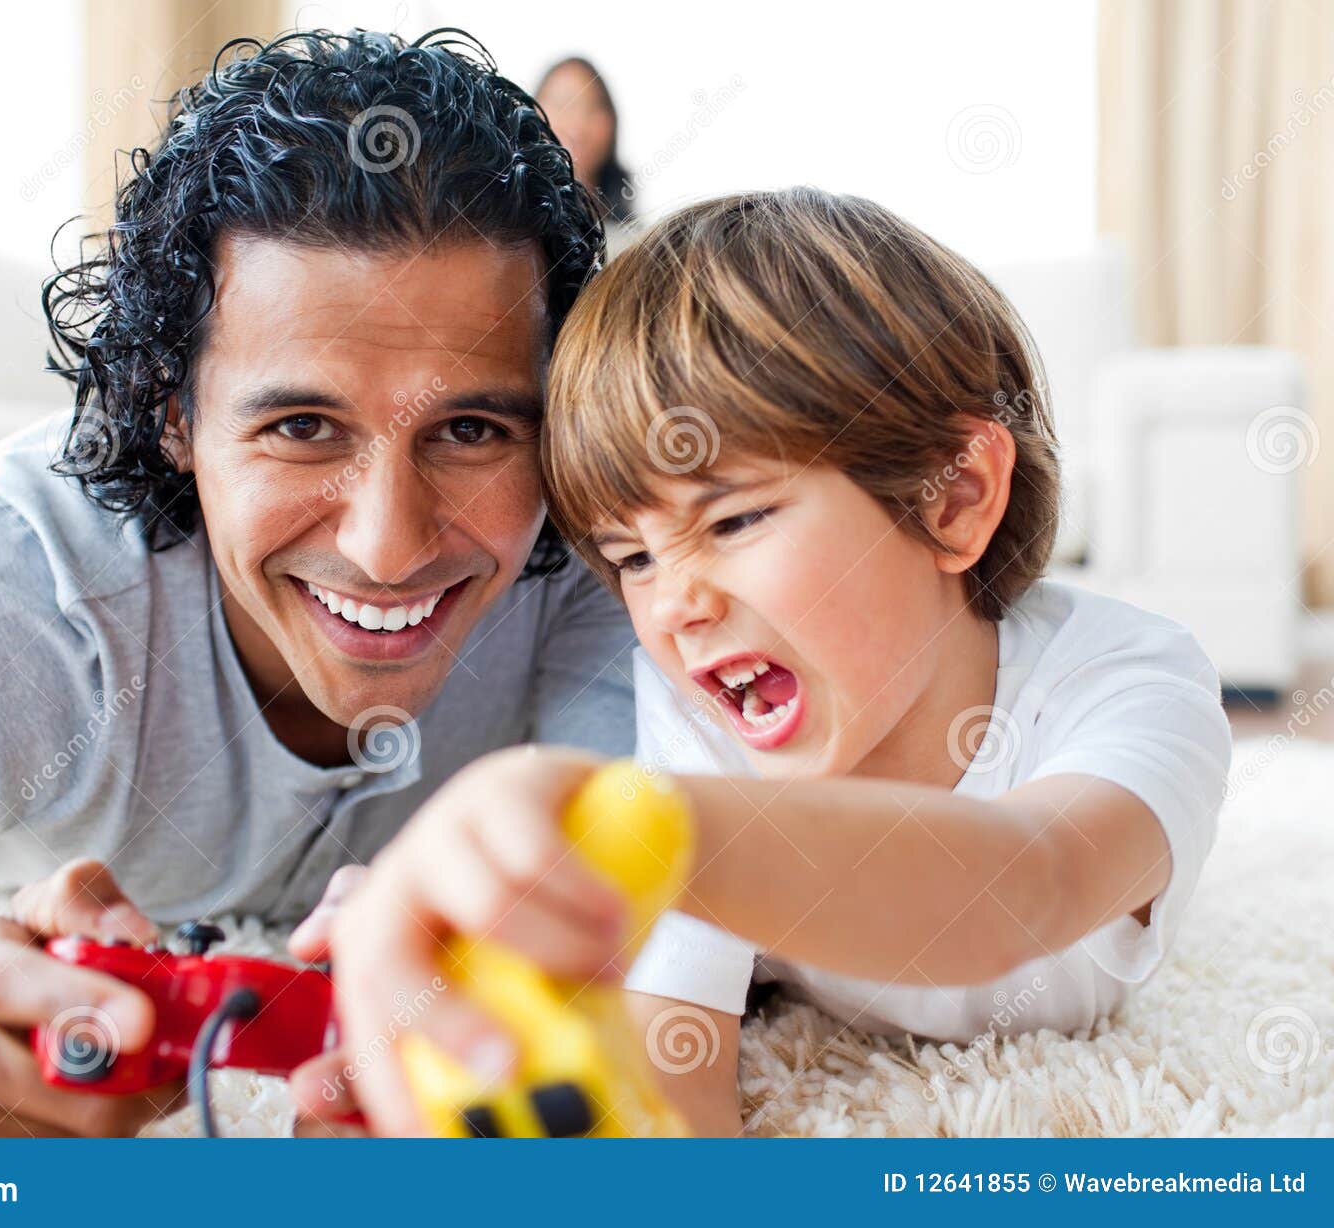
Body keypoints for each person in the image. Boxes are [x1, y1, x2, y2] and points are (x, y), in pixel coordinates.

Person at [0, 29, 635, 1137]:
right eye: (302, 426)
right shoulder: (1, 598)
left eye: (470, 428)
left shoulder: (613, 554)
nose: (390, 546)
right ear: (171, 413)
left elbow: (708, 917)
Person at [320, 188, 1232, 1136]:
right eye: (633, 560)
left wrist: (637, 832)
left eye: (734, 519)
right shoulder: (708, 711)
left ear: (953, 498)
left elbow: (1019, 889)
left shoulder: (1130, 680)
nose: (674, 605)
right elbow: (679, 1069)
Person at [535, 57, 633, 229]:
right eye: (562, 104)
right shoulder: (511, 225)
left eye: (592, 107)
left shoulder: (632, 235)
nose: (577, 124)